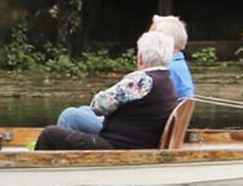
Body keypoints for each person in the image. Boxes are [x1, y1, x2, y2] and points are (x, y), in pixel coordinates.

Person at [36, 30, 180, 151]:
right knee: (81, 111)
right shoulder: (166, 78)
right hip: (136, 136)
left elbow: (99, 106)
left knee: (50, 133)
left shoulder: (142, 80)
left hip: (118, 144)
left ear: (140, 58)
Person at [53, 15, 194, 136]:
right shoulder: (174, 67)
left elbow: (101, 105)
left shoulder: (161, 72)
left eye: (150, 36)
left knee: (70, 116)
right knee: (83, 111)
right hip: (144, 127)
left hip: (134, 131)